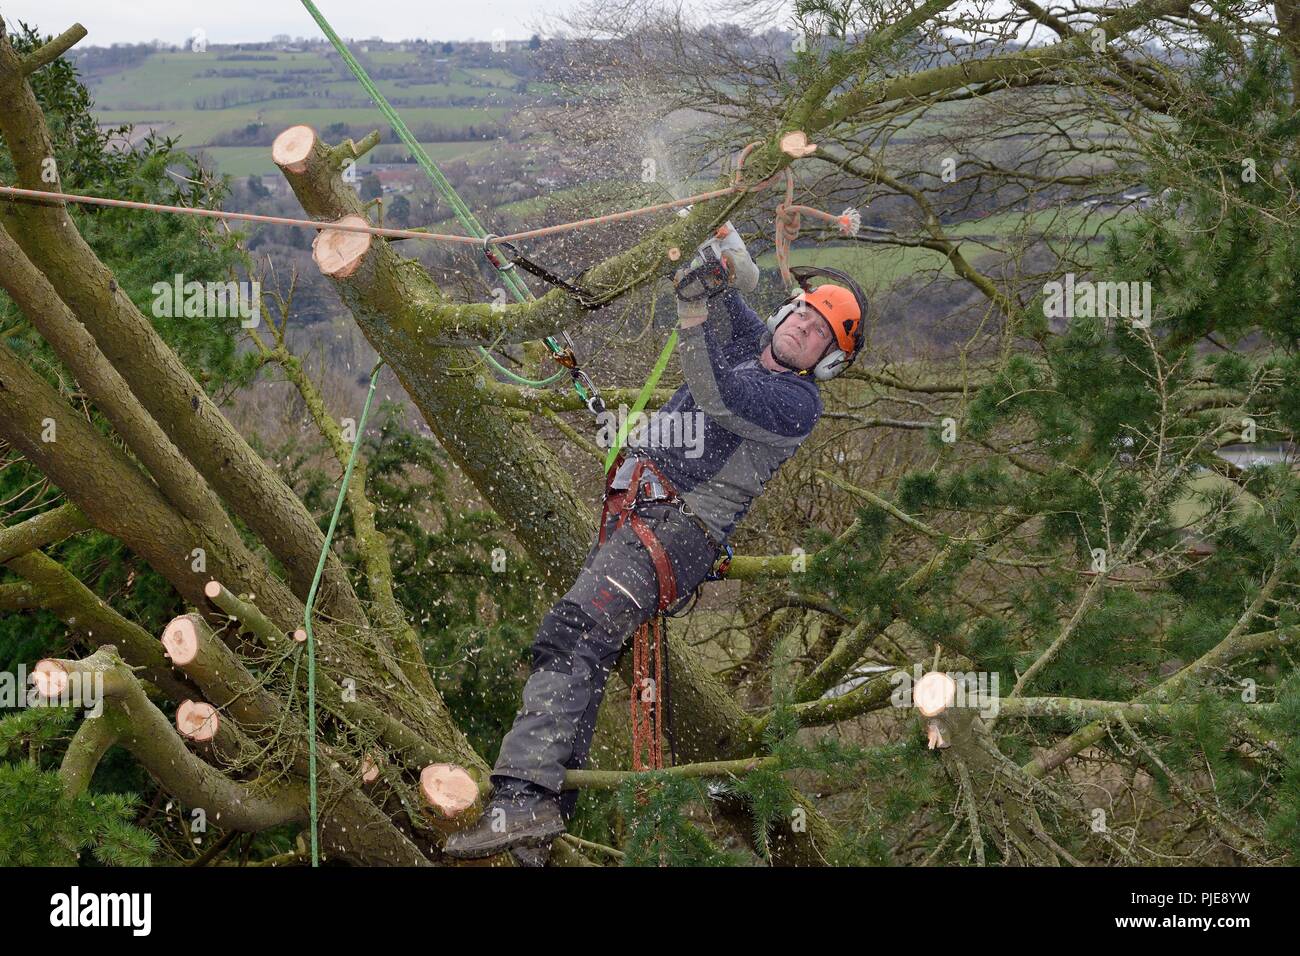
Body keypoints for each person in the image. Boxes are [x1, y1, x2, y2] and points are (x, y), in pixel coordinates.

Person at [444, 225, 867, 861]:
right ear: (788, 310)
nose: (801, 330)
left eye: (817, 335)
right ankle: (539, 819)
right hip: (644, 514)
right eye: (803, 315)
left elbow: (719, 397)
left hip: (676, 532)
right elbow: (728, 291)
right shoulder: (759, 342)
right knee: (586, 645)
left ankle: (523, 801)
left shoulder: (795, 402)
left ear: (825, 362)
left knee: (572, 633)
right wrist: (709, 246)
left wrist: (694, 311)